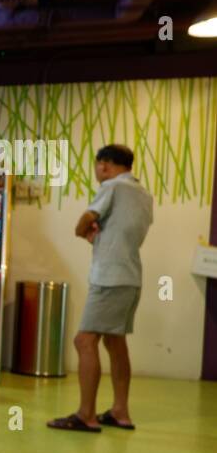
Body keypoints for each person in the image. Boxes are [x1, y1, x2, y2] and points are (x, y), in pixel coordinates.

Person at [48, 144, 153, 433]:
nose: (97, 171)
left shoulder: (112, 187)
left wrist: (83, 231)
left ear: (104, 165)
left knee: (84, 341)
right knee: (114, 342)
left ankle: (86, 415)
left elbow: (86, 219)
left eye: (97, 166)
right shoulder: (144, 194)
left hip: (110, 277)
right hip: (131, 276)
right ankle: (120, 411)